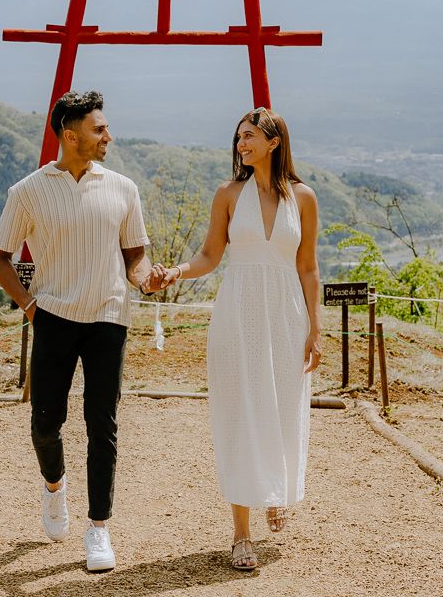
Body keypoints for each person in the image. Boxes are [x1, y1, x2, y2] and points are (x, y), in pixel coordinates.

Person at [0, 90, 159, 573]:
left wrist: (148, 277)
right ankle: (53, 485)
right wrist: (29, 307)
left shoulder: (124, 188)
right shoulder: (27, 192)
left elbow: (135, 257)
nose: (109, 136)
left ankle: (99, 528)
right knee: (45, 422)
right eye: (99, 129)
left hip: (108, 317)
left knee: (102, 424)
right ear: (70, 135)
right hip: (54, 318)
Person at [153, 106, 322, 571]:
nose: (241, 144)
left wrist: (315, 328)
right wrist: (175, 273)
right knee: (241, 410)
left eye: (250, 136)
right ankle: (241, 533)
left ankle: (275, 489)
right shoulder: (228, 194)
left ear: (274, 142)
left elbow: (308, 267)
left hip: (287, 314)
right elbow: (209, 255)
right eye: (238, 137)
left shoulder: (304, 198)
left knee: (284, 406)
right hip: (239, 312)